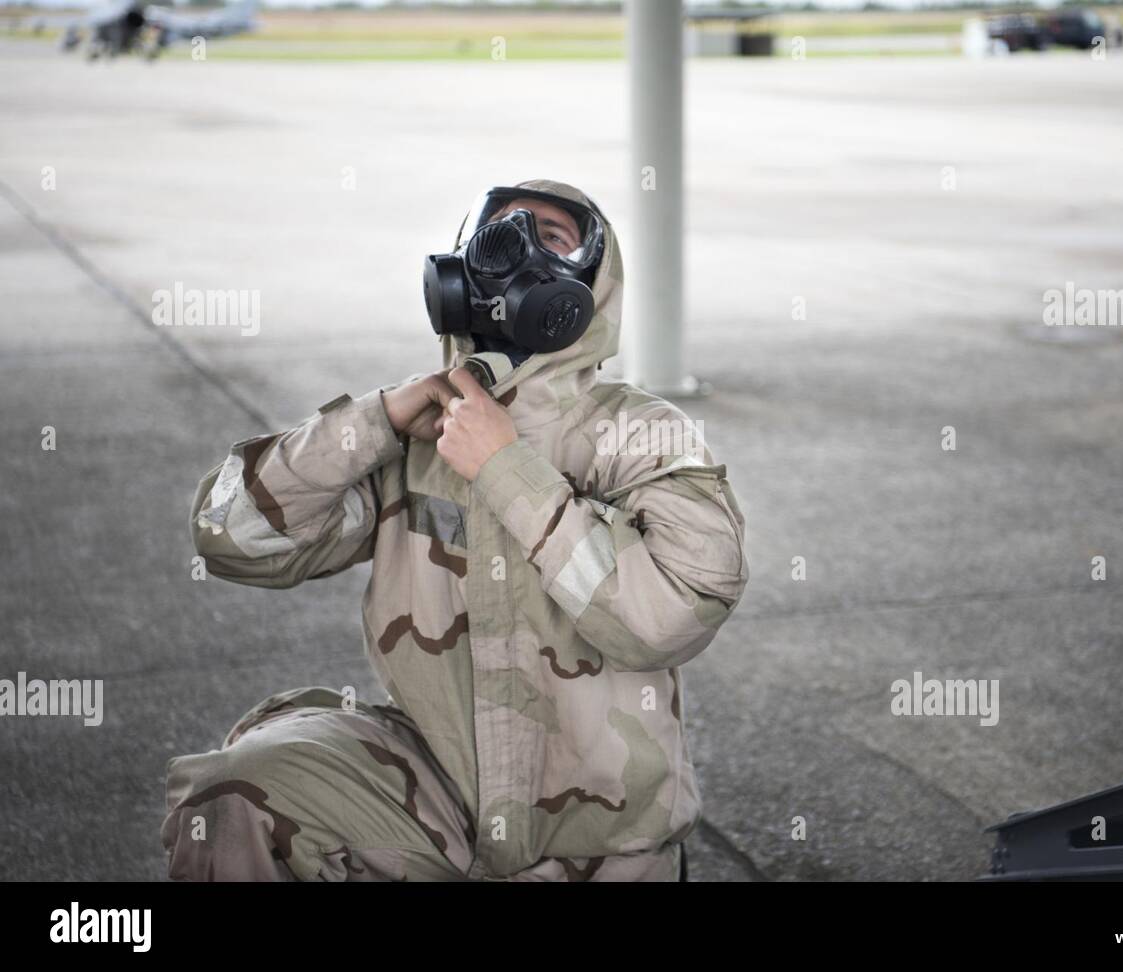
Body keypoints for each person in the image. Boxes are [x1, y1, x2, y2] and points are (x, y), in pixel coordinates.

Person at [160, 179, 748, 881]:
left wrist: (505, 467)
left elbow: (673, 616)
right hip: (440, 801)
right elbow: (230, 534)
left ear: (590, 287)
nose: (519, 243)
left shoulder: (640, 433)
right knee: (233, 796)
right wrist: (372, 421)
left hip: (597, 850)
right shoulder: (415, 434)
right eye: (498, 232)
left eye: (552, 236)